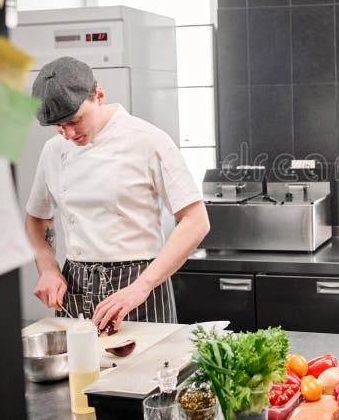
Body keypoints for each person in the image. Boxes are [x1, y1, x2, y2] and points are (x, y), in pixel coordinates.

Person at [25, 56, 210, 331]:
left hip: (139, 285)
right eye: (58, 126)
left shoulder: (149, 140)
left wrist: (141, 287)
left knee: (150, 372)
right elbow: (36, 220)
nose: (68, 133)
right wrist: (48, 268)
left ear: (99, 95)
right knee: (79, 373)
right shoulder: (54, 151)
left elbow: (196, 221)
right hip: (76, 285)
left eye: (75, 120)